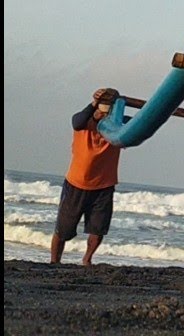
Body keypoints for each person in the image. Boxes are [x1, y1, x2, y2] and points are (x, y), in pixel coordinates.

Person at [50, 88, 125, 266]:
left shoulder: (118, 129)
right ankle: (54, 261)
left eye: (107, 107)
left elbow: (140, 124)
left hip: (104, 184)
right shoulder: (84, 123)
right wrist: (93, 105)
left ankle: (87, 259)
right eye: (100, 106)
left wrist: (120, 104)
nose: (102, 111)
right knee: (64, 228)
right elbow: (77, 121)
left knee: (98, 229)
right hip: (76, 182)